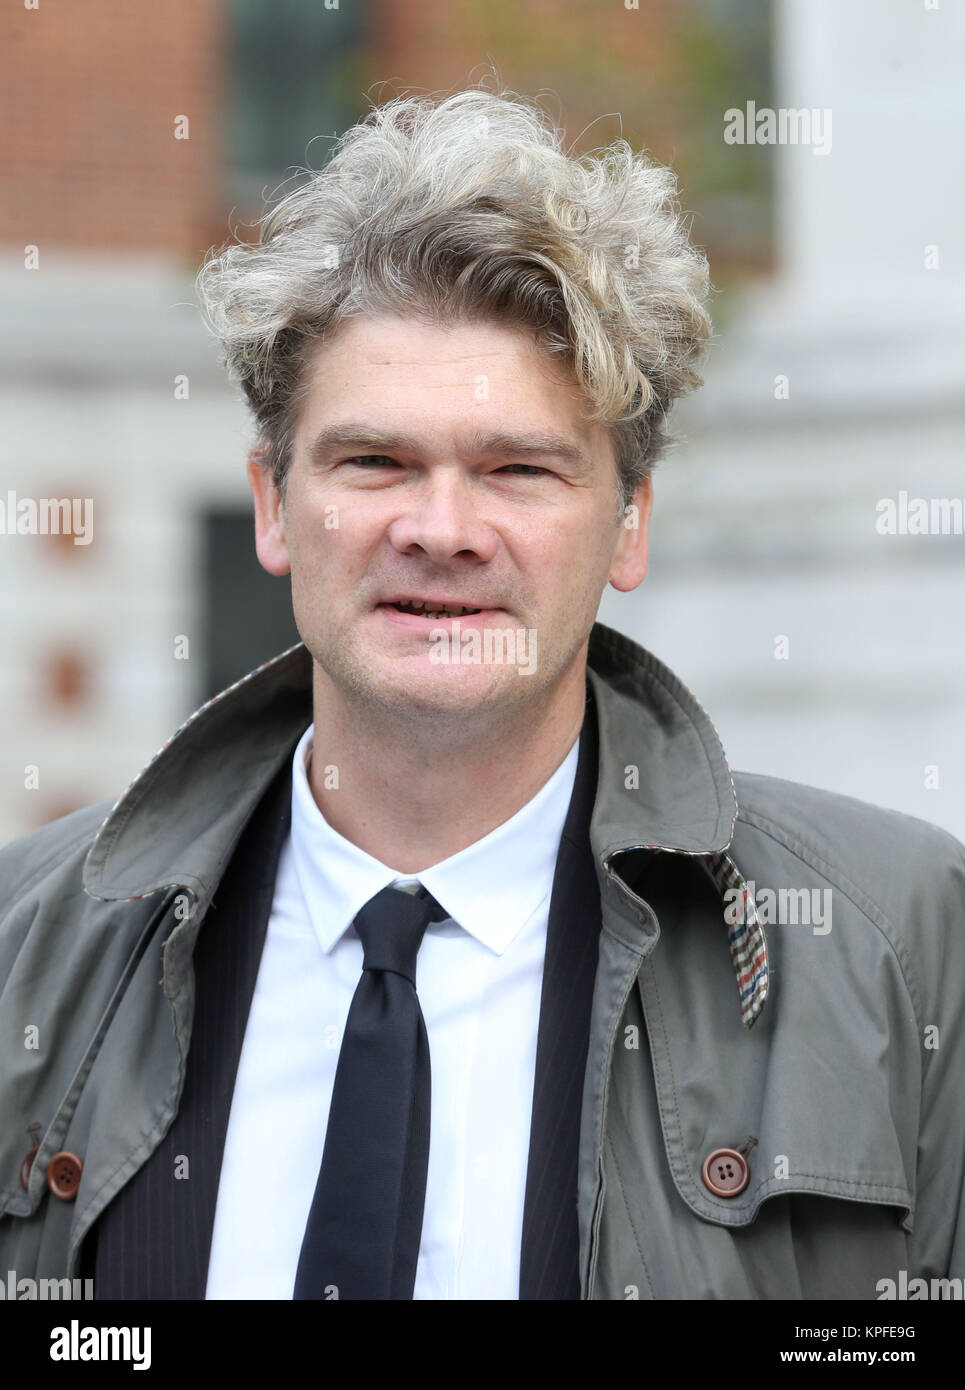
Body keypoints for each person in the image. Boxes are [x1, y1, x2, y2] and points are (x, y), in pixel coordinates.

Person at [1, 85, 963, 1303]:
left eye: (518, 469)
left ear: (628, 523)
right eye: (374, 461)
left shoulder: (898, 947)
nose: (441, 530)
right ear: (272, 503)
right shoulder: (27, 949)